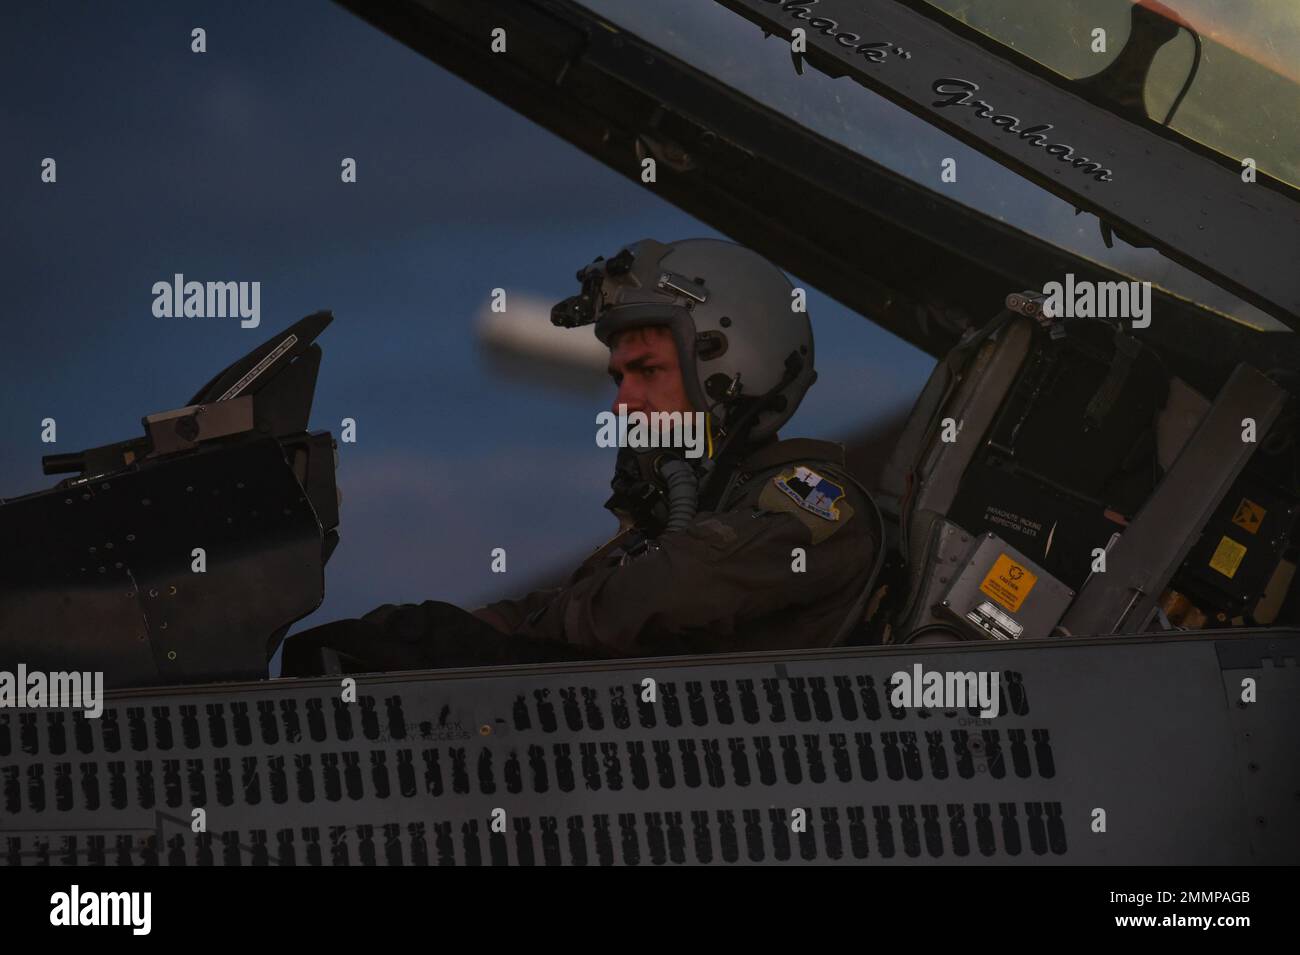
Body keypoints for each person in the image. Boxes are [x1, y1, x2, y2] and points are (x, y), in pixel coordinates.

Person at [281, 238, 882, 676]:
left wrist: (493, 648)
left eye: (647, 372)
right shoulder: (684, 522)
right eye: (619, 378)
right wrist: (439, 632)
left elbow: (653, 597)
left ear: (733, 369)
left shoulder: (815, 508)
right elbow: (567, 607)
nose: (622, 405)